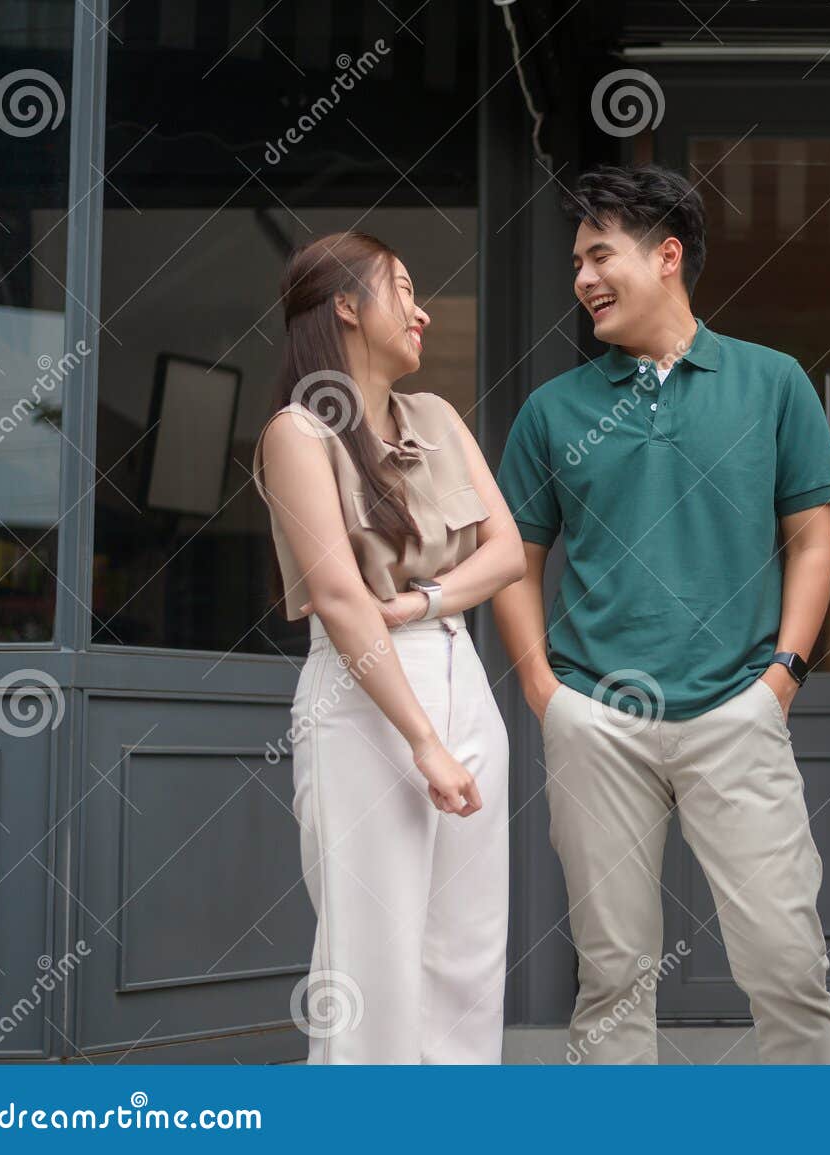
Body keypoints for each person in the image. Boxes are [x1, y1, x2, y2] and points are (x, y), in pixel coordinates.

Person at [494, 164, 830, 1064]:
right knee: (612, 976)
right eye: (576, 261)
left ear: (669, 257)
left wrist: (783, 678)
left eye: (599, 254)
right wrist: (543, 688)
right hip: (596, 718)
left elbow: (812, 539)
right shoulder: (551, 409)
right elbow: (512, 561)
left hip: (739, 707)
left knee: (788, 962)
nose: (582, 279)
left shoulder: (774, 384)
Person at [252, 231, 524, 1063]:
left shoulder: (437, 417)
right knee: (373, 953)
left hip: (455, 663)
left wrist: (422, 600)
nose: (422, 310)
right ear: (344, 303)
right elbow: (338, 597)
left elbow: (508, 554)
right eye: (402, 288)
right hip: (367, 694)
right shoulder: (297, 434)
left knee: (467, 950)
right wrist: (424, 741)